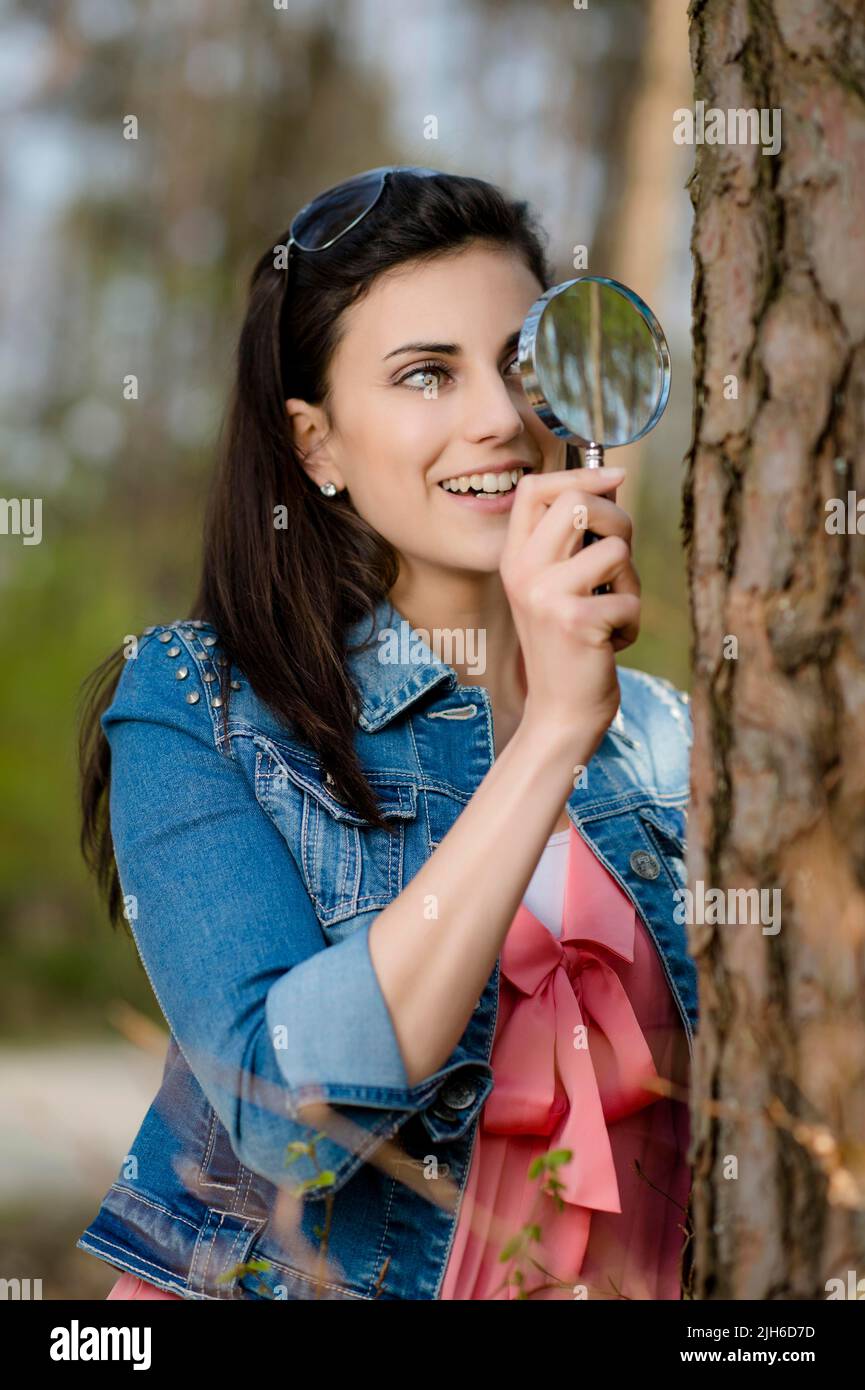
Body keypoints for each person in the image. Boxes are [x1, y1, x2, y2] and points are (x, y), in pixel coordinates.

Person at [76, 166, 696, 1301]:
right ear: (316, 447)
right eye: (425, 375)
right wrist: (550, 732)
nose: (500, 417)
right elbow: (283, 1114)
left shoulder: (670, 741)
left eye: (519, 365)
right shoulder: (197, 699)